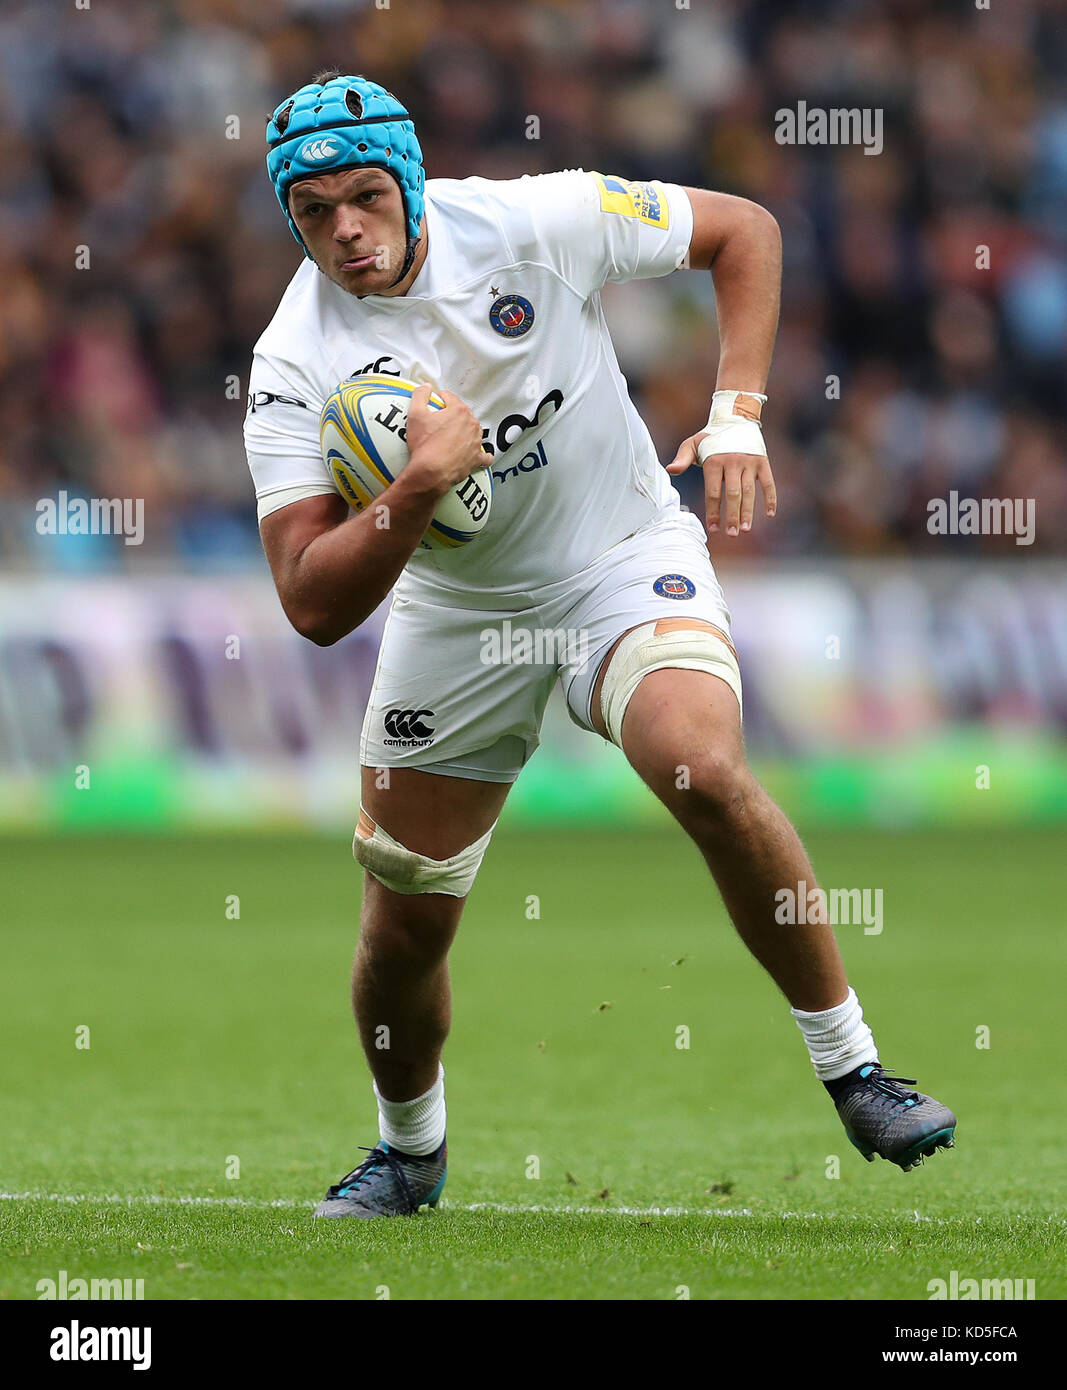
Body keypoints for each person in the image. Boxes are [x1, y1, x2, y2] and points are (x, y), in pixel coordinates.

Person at [244, 71, 956, 1219]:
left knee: (702, 767)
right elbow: (309, 600)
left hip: (616, 556)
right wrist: (415, 488)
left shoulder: (532, 222)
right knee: (404, 923)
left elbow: (744, 230)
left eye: (366, 197)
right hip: (457, 614)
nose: (346, 231)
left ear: (410, 182)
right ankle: (408, 1152)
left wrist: (734, 413)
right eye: (313, 213)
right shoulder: (291, 360)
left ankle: (855, 1068)